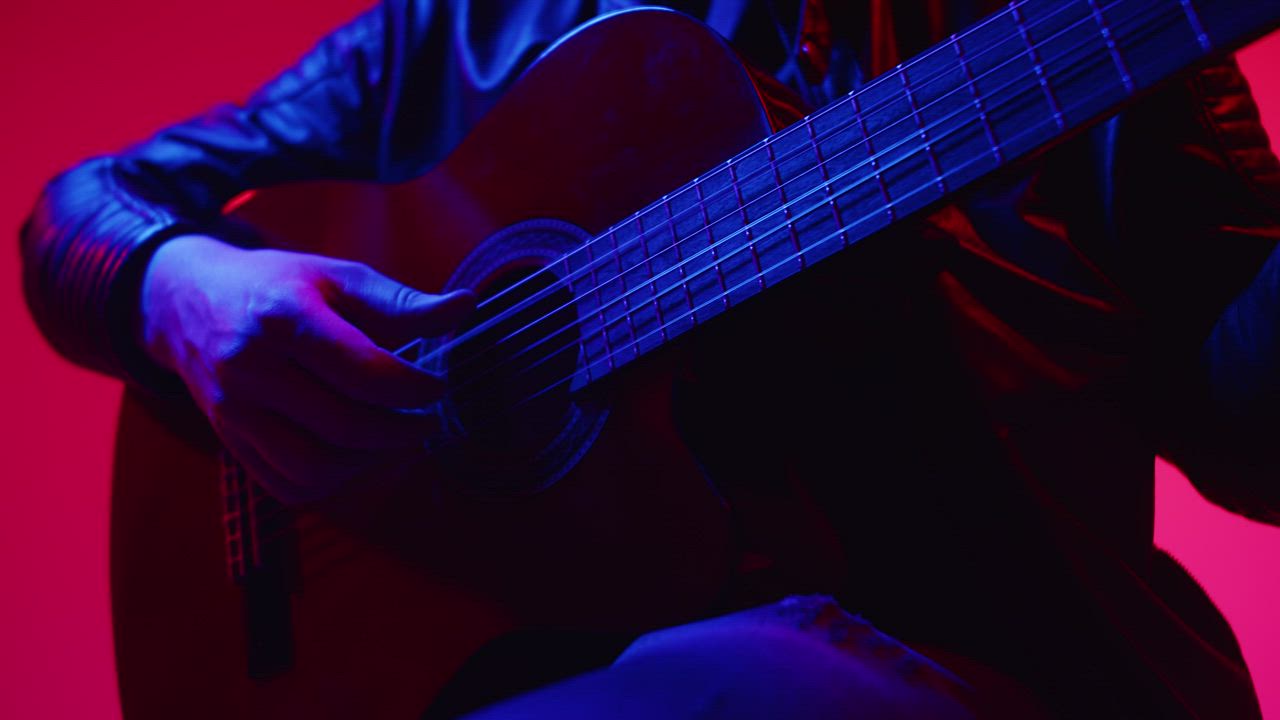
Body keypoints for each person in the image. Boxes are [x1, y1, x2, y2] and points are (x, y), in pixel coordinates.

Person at [19, 0, 1280, 717]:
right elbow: (78, 214)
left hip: (1000, 667)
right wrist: (176, 284)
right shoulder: (451, 31)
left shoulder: (1073, 20)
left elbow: (1254, 437)